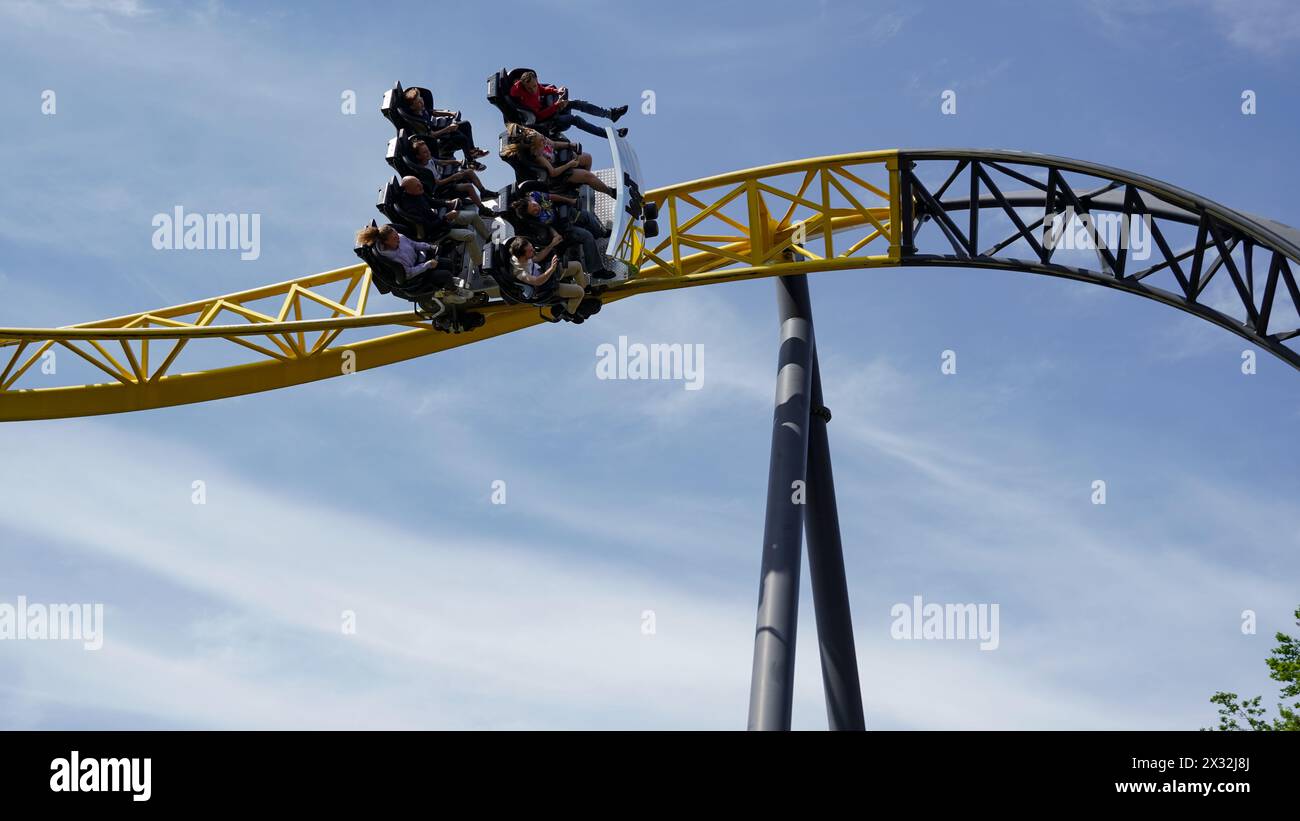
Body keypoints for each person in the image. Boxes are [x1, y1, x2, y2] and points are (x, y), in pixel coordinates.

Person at [512, 192, 614, 280]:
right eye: (534, 211)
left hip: (564, 213)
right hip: (562, 230)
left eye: (534, 205)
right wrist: (556, 235)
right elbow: (549, 229)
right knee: (587, 236)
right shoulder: (536, 222)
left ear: (531, 200)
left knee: (586, 215)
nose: (536, 208)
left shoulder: (535, 195)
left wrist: (571, 201)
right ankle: (596, 270)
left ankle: (601, 233)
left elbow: (552, 197)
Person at [501, 124, 617, 197]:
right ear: (535, 148)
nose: (543, 140)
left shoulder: (537, 136)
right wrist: (569, 164)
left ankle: (580, 185)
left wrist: (570, 145)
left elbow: (554, 144)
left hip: (561, 158)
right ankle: (610, 192)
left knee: (588, 158)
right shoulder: (538, 156)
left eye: (541, 137)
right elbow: (553, 172)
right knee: (588, 176)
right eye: (541, 142)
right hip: (559, 174)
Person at [508, 71, 628, 139]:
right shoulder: (524, 96)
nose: (533, 90)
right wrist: (556, 106)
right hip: (549, 123)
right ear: (523, 86)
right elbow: (538, 117)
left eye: (534, 85)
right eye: (530, 88)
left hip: (552, 111)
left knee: (576, 102)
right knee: (575, 119)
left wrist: (557, 91)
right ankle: (609, 134)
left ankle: (611, 114)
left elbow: (542, 89)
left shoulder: (535, 85)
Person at [395, 176, 491, 260]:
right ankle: (480, 267)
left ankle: (488, 238)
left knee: (473, 215)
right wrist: (445, 218)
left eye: (419, 182)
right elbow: (428, 228)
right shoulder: (411, 208)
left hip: (440, 221)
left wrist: (448, 203)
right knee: (470, 235)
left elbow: (432, 202)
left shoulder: (418, 192)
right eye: (417, 185)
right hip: (436, 232)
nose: (420, 186)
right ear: (408, 190)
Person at [402, 87, 489, 169]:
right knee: (461, 138)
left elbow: (434, 112)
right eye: (418, 102)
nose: (422, 102)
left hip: (443, 133)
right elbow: (432, 135)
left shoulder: (423, 109)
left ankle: (472, 151)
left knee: (466, 124)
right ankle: (470, 163)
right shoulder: (419, 121)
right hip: (437, 142)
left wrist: (451, 114)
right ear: (412, 107)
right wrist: (448, 129)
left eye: (421, 99)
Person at [508, 236, 589, 320]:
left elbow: (537, 258)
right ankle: (569, 313)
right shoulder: (519, 272)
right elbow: (537, 281)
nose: (533, 250)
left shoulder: (523, 256)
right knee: (580, 292)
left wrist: (552, 244)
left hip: (543, 271)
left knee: (577, 266)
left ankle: (583, 294)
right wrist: (551, 268)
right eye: (531, 250)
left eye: (532, 247)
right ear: (522, 256)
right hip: (544, 287)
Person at [356, 223, 455, 290]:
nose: (398, 238)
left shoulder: (400, 237)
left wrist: (430, 247)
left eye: (397, 235)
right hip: (415, 276)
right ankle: (452, 293)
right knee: (445, 275)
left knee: (449, 263)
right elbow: (408, 274)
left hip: (420, 261)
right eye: (395, 238)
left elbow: (414, 244)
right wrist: (427, 265)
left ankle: (455, 282)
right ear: (386, 242)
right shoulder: (392, 259)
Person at [409, 138, 493, 207]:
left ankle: (484, 192)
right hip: (441, 189)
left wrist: (457, 162)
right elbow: (438, 183)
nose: (428, 153)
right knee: (469, 186)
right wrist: (453, 177)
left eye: (428, 150)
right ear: (418, 156)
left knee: (469, 171)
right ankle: (482, 209)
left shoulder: (429, 159)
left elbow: (441, 162)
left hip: (444, 181)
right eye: (424, 152)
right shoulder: (424, 170)